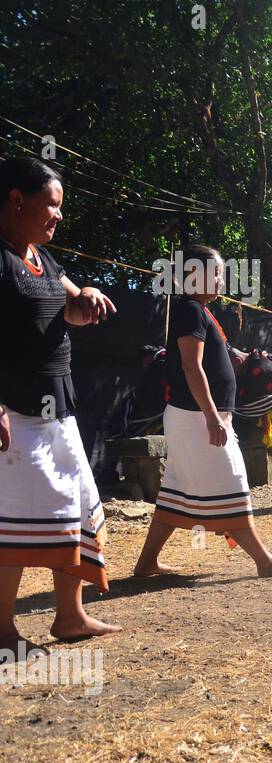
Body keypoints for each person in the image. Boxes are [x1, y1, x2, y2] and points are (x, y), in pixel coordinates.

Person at [0, 156, 121, 651]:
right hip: (16, 410)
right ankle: (3, 631)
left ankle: (70, 616)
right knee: (14, 518)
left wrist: (86, 294)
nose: (58, 216)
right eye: (51, 205)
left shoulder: (41, 258)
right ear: (15, 200)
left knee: (72, 506)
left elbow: (71, 306)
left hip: (58, 407)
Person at [133, 244, 272, 579]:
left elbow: (206, 360)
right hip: (197, 418)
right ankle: (264, 561)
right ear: (195, 274)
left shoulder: (198, 310)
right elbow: (192, 368)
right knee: (233, 483)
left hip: (195, 417)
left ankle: (146, 563)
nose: (223, 280)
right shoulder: (190, 311)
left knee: (175, 492)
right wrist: (211, 416)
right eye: (219, 273)